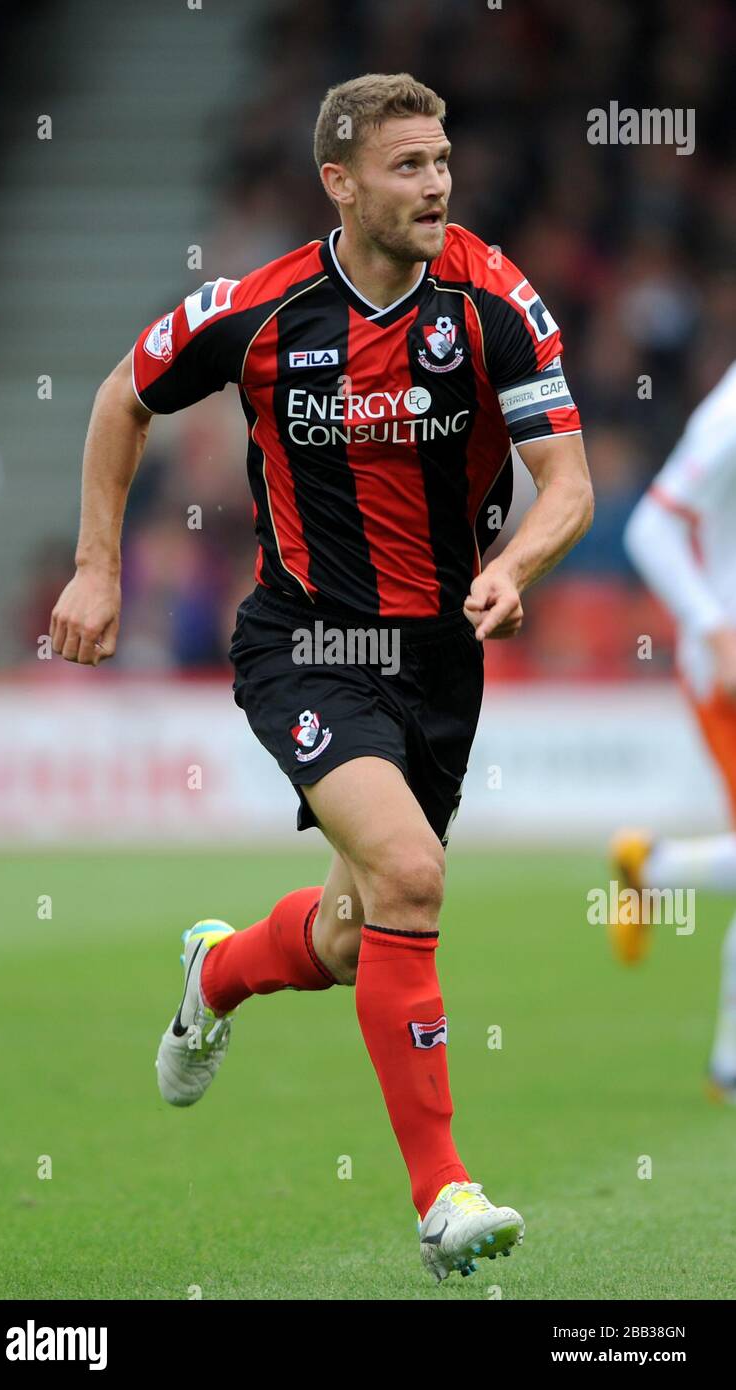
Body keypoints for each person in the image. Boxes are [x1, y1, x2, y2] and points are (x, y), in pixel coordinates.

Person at [50, 73, 593, 1282]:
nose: (437, 182)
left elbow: (569, 483)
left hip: (441, 662)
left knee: (357, 937)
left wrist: (515, 566)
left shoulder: (493, 298)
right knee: (412, 872)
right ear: (339, 184)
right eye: (408, 166)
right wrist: (99, 570)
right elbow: (118, 397)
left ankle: (217, 970)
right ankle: (443, 1193)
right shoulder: (262, 309)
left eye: (443, 158)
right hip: (304, 645)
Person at [612, 360, 736, 1103]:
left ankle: (654, 869)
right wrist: (710, 625)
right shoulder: (728, 417)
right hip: (728, 670)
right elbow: (649, 526)